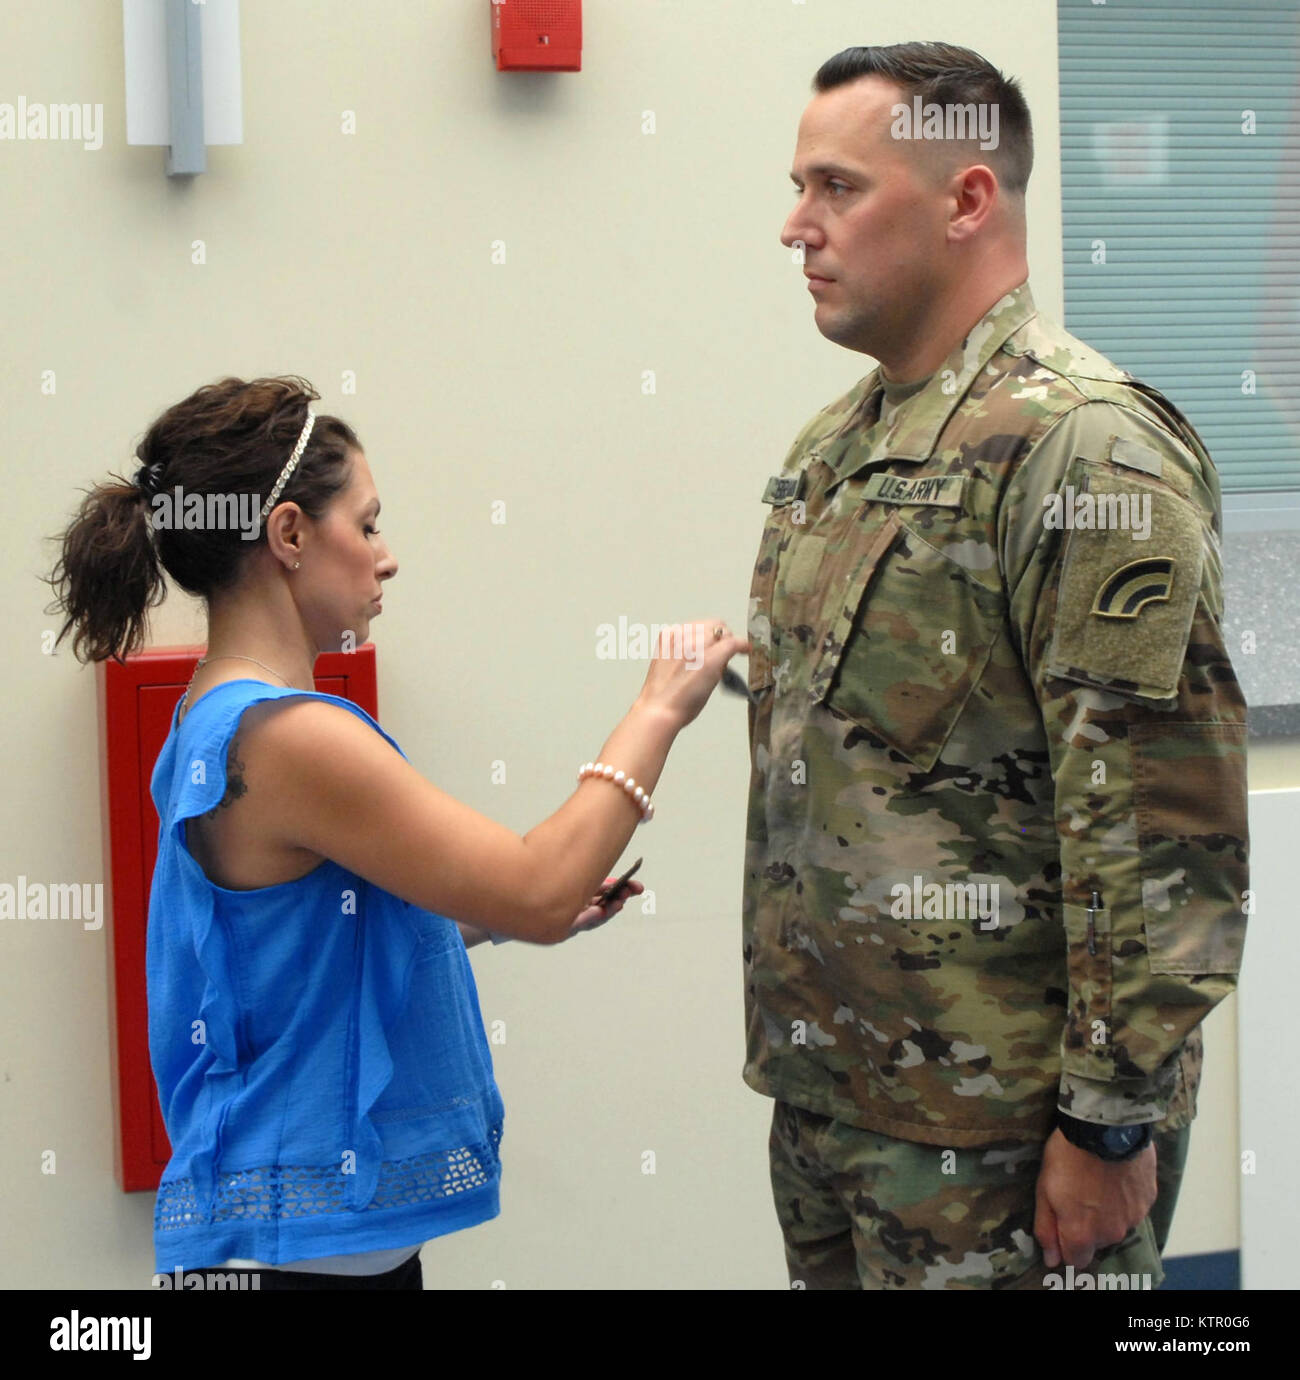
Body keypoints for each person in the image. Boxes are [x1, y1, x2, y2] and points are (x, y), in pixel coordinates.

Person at [46, 375, 747, 1289]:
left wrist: (480, 917)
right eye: (368, 524)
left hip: (316, 1251)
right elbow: (538, 886)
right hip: (298, 1263)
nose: (387, 556)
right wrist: (659, 708)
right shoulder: (288, 736)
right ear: (290, 534)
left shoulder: (211, 720)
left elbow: (305, 949)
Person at [743, 42, 1248, 1290]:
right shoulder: (840, 446)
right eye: (798, 187)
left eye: (835, 187)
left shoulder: (1086, 448)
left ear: (967, 200)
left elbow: (1154, 811)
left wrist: (1106, 1118)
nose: (794, 226)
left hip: (1007, 1135)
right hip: (840, 1098)